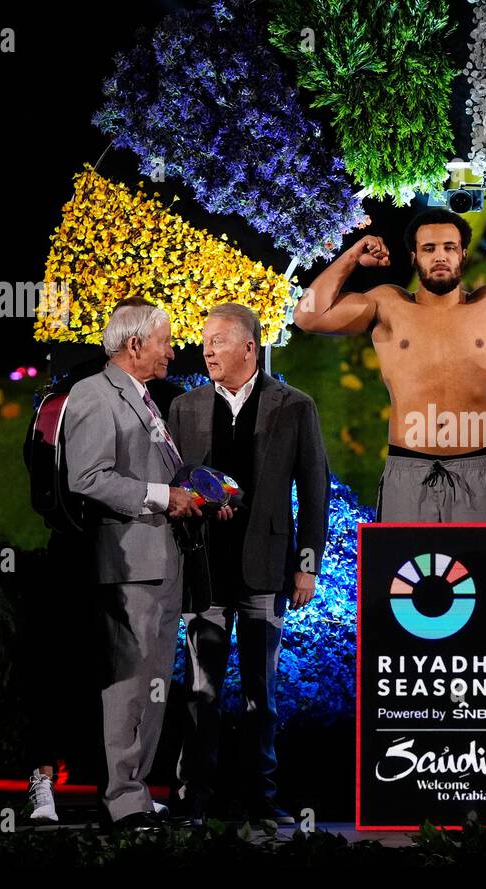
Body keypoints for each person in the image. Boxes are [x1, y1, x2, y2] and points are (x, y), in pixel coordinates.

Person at [294, 208, 486, 522]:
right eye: (429, 249)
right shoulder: (387, 304)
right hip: (407, 466)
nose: (440, 257)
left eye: (449, 247)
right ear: (413, 257)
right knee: (402, 568)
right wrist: (351, 256)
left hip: (475, 467)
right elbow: (308, 315)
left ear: (463, 254)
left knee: (474, 568)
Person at [167, 303, 330, 826]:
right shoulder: (184, 407)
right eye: (204, 341)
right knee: (201, 692)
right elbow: (171, 488)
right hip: (204, 572)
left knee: (263, 693)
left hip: (265, 569)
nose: (207, 349)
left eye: (217, 340)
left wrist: (306, 566)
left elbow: (315, 489)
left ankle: (260, 798)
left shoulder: (295, 405)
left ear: (249, 348)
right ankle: (193, 798)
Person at [63, 297, 201, 831]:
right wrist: (166, 497)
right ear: (136, 343)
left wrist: (200, 493)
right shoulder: (94, 394)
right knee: (130, 682)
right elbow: (88, 478)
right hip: (129, 563)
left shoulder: (143, 396)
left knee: (153, 682)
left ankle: (137, 792)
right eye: (165, 341)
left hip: (162, 561)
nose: (172, 350)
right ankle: (121, 797)